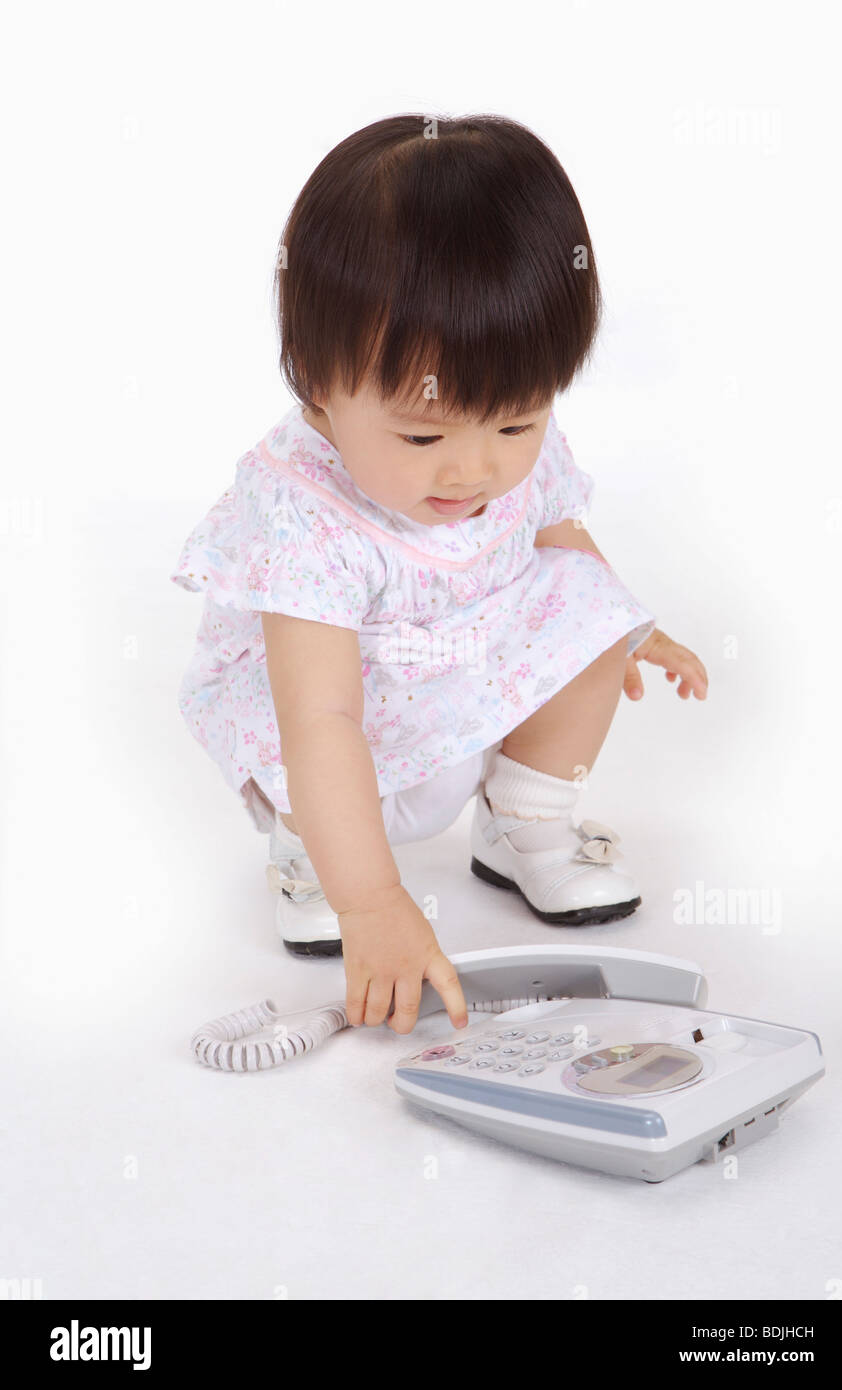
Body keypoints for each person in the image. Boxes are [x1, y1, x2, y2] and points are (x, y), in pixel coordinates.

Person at [170, 113, 708, 1039]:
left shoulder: (502, 444)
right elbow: (320, 718)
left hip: (463, 674)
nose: (474, 472)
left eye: (516, 424)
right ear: (317, 388)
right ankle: (313, 861)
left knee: (589, 602)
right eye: (422, 437)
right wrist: (375, 903)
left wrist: (621, 625)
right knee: (319, 753)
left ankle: (523, 823)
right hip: (340, 732)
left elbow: (559, 528)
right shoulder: (303, 515)